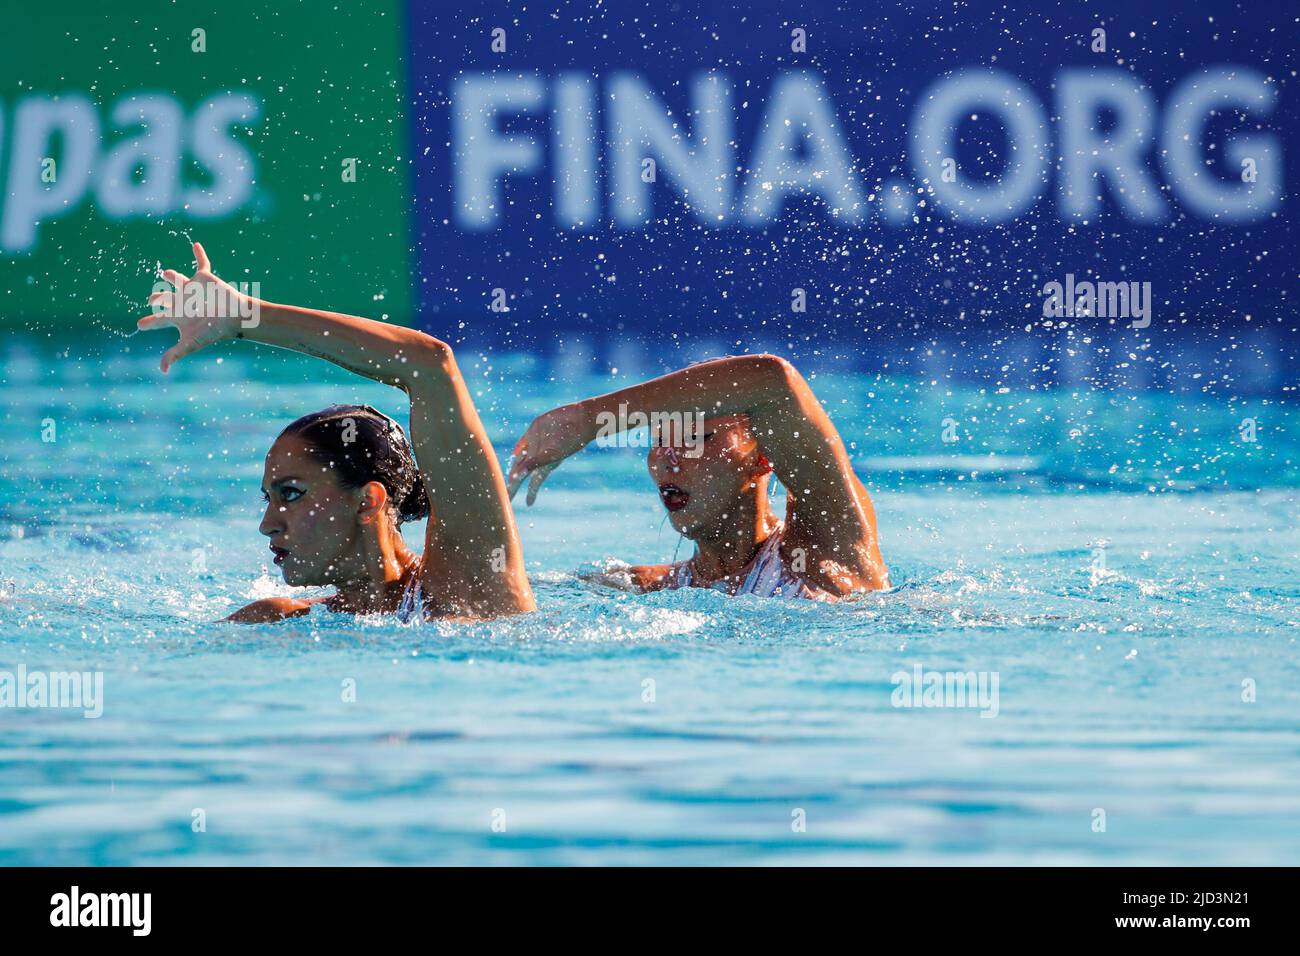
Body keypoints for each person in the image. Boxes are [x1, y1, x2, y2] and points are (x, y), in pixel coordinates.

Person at [138, 243, 534, 622]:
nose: (267, 524)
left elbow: (429, 365)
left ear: (367, 501)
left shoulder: (467, 586)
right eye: (269, 498)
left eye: (290, 494)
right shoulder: (275, 620)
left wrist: (247, 317)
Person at [508, 354, 889, 600]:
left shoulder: (825, 547)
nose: (668, 459)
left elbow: (774, 381)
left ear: (763, 459)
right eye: (659, 440)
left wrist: (589, 421)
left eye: (696, 438)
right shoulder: (650, 588)